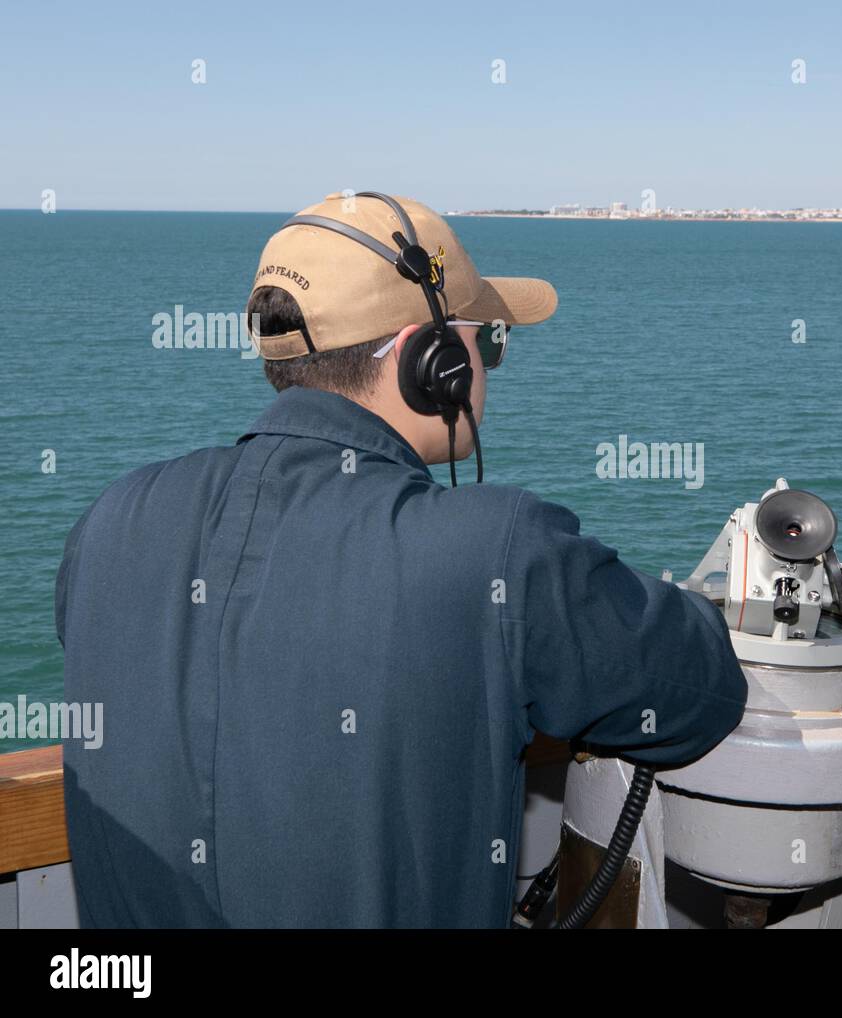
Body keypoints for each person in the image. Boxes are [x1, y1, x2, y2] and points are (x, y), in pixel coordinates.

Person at [57, 192, 748, 928]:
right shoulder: (495, 550)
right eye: (488, 344)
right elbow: (697, 695)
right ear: (432, 361)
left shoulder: (108, 521)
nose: (488, 366)